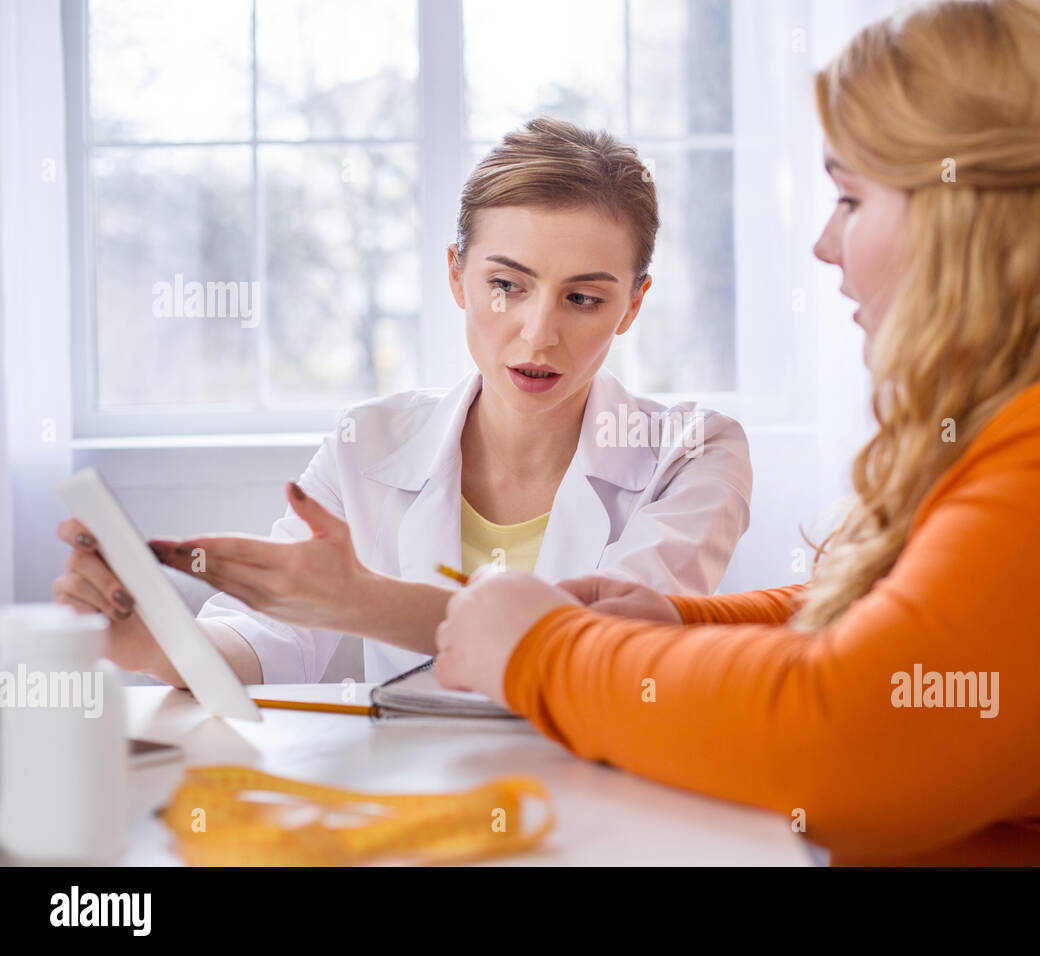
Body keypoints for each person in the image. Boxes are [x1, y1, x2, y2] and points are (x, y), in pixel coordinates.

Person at [429, 0, 1040, 865]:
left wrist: (545, 651)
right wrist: (681, 625)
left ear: (973, 211)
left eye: (850, 197)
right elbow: (915, 622)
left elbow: (855, 733)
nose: (822, 243)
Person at [53, 117, 753, 686]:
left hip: (605, 798)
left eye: (583, 298)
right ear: (457, 276)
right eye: (506, 285)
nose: (539, 334)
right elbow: (268, 640)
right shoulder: (369, 443)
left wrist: (361, 601)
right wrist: (155, 645)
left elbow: (604, 650)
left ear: (632, 305)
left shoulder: (696, 453)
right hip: (422, 803)